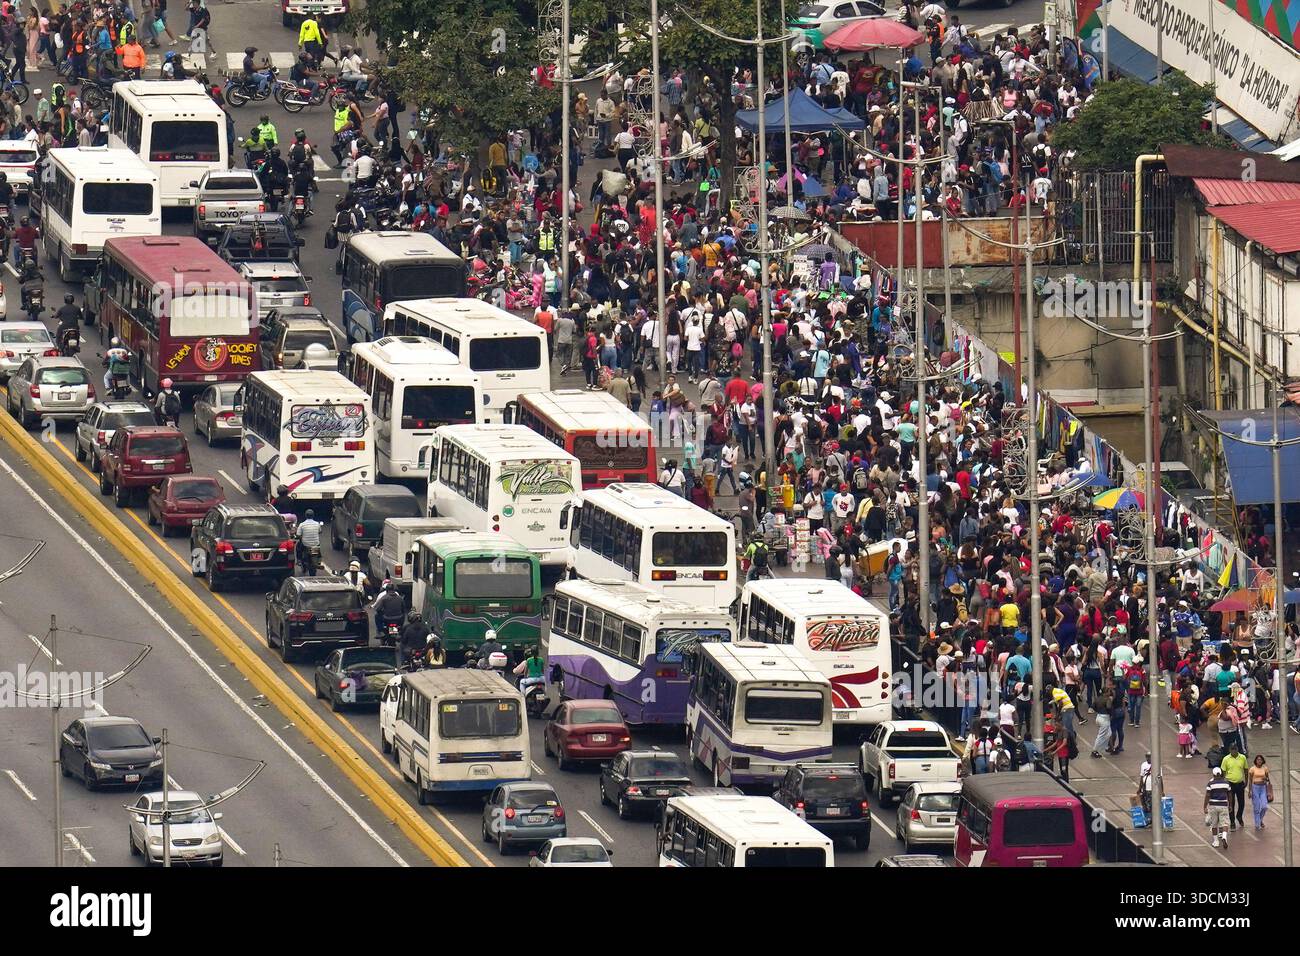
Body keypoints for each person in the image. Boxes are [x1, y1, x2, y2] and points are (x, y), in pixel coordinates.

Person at [1220, 741, 1248, 831]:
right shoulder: (1226, 759)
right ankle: (1232, 822)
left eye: (1235, 749)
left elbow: (1246, 770)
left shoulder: (1242, 758)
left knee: (1242, 803)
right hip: (1230, 784)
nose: (1233, 751)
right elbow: (1223, 773)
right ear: (1229, 750)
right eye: (1232, 749)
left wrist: (1246, 781)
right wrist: (1224, 784)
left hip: (1240, 783)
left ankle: (1239, 816)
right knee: (1231, 804)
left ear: (1237, 749)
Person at [1203, 765, 1231, 848]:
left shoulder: (1210, 783)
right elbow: (1229, 795)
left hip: (1213, 806)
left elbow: (1208, 795)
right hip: (1223, 805)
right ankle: (1224, 837)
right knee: (1225, 823)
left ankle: (1216, 842)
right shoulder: (1226, 783)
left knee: (1214, 824)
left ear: (1213, 774)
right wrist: (1230, 805)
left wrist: (1205, 806)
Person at [295, 508, 323, 574]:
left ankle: (299, 560)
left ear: (305, 516)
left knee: (298, 547)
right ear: (313, 515)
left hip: (305, 544)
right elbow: (320, 531)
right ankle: (319, 560)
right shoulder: (317, 524)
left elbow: (298, 535)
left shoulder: (302, 524)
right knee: (318, 550)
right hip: (316, 544)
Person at [1248, 754, 1271, 830]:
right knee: (1257, 808)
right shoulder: (1252, 769)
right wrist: (1250, 791)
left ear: (1262, 761)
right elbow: (1250, 780)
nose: (1259, 761)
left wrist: (1266, 780)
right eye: (1258, 759)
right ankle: (1257, 824)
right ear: (1255, 761)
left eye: (1260, 759)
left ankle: (1260, 820)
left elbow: (1268, 780)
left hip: (1263, 788)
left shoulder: (1265, 769)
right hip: (1255, 788)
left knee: (1264, 806)